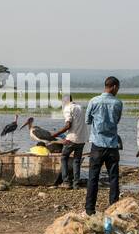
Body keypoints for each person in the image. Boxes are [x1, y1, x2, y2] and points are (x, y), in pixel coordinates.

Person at [83, 77, 124, 214]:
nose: (117, 90)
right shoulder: (118, 103)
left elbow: (87, 120)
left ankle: (89, 210)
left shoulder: (94, 101)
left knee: (93, 178)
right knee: (113, 178)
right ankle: (113, 208)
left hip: (97, 145)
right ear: (114, 87)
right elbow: (116, 120)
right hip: (112, 145)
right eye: (117, 88)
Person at [50, 94, 86, 188]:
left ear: (65, 101)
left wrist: (54, 135)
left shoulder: (68, 108)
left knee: (64, 157)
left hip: (72, 139)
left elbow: (68, 126)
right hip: (82, 139)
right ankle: (76, 184)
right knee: (76, 161)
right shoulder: (80, 107)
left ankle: (66, 182)